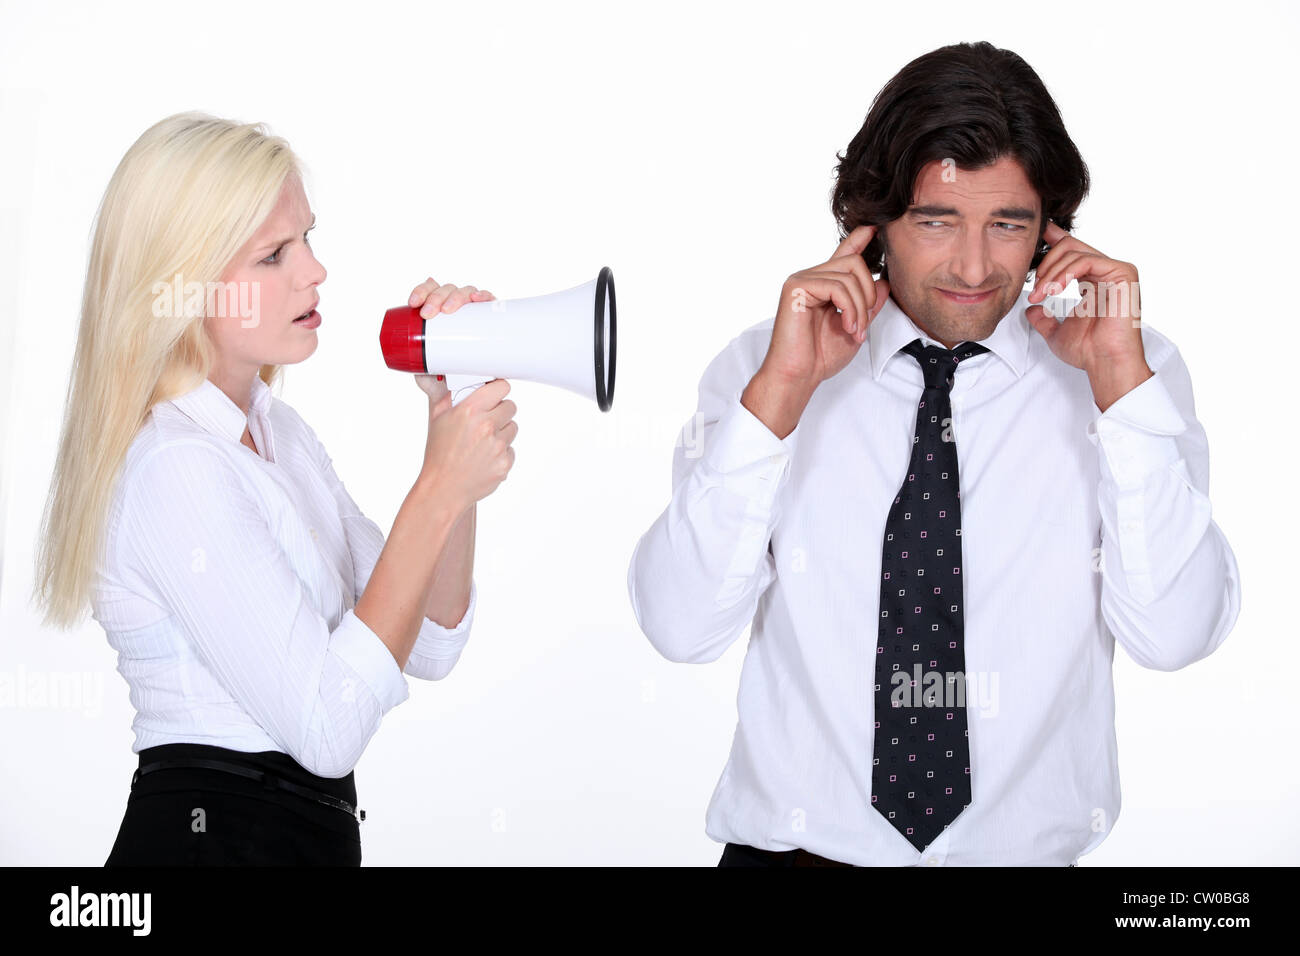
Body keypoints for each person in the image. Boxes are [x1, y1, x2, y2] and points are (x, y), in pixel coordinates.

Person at [626, 41, 1242, 867]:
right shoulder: (764, 366)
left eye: (1009, 224)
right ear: (872, 222)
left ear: (1051, 233)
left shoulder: (1128, 370)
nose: (975, 266)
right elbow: (680, 625)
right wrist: (780, 396)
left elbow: (1175, 635)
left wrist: (1122, 386)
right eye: (936, 220)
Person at [32, 112, 518, 865]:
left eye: (308, 239)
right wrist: (439, 489)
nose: (314, 271)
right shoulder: (175, 467)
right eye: (273, 255)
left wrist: (450, 414)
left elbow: (430, 637)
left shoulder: (279, 435)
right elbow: (327, 727)